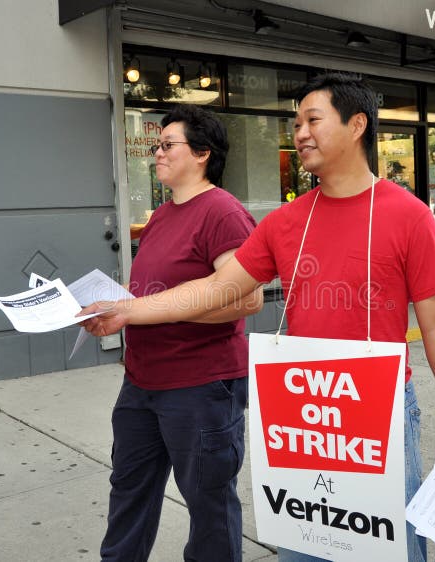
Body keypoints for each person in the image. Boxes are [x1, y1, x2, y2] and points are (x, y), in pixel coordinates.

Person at [81, 74, 435, 562]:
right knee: (305, 550)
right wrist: (126, 311)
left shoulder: (409, 216)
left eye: (312, 120)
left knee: (384, 551)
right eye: (295, 122)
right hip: (301, 413)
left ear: (357, 124)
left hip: (376, 410)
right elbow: (218, 289)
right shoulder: (285, 221)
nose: (299, 132)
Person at [97, 104, 262, 562]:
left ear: (202, 153)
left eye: (168, 145)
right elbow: (151, 295)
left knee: (208, 505)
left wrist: (143, 312)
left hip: (200, 388)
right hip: (141, 384)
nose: (157, 153)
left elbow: (246, 299)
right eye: (157, 145)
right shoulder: (162, 216)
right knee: (128, 491)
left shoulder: (223, 212)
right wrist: (119, 311)